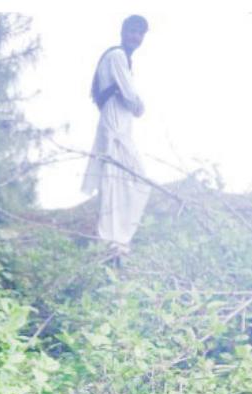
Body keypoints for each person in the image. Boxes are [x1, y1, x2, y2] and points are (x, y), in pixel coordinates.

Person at [81, 15, 150, 262]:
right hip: (114, 125)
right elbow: (131, 97)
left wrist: (135, 104)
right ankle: (110, 243)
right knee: (116, 180)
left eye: (140, 33)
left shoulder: (122, 58)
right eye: (133, 31)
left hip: (119, 125)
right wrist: (139, 105)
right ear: (123, 31)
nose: (136, 37)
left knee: (126, 180)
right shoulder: (117, 55)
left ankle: (117, 241)